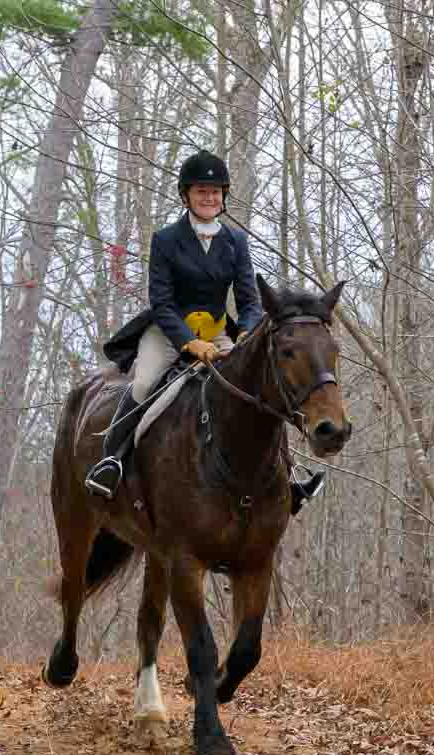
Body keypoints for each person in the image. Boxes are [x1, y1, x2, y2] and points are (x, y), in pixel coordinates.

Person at [85, 150, 325, 513]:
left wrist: (244, 335)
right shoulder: (166, 240)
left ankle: (289, 478)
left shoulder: (235, 242)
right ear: (186, 196)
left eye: (215, 192)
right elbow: (161, 301)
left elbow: (248, 300)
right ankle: (112, 461)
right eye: (201, 191)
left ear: (224, 195)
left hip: (216, 331)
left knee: (259, 385)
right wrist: (189, 342)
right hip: (168, 332)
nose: (209, 198)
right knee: (144, 383)